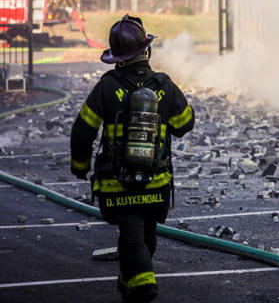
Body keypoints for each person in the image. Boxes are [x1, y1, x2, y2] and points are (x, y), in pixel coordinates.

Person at [70, 15, 194, 303]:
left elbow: (83, 130)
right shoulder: (163, 84)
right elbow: (185, 123)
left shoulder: (106, 86)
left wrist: (80, 166)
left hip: (118, 185)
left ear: (116, 58)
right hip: (156, 184)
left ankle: (140, 285)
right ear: (146, 50)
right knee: (144, 235)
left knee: (133, 233)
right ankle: (135, 284)